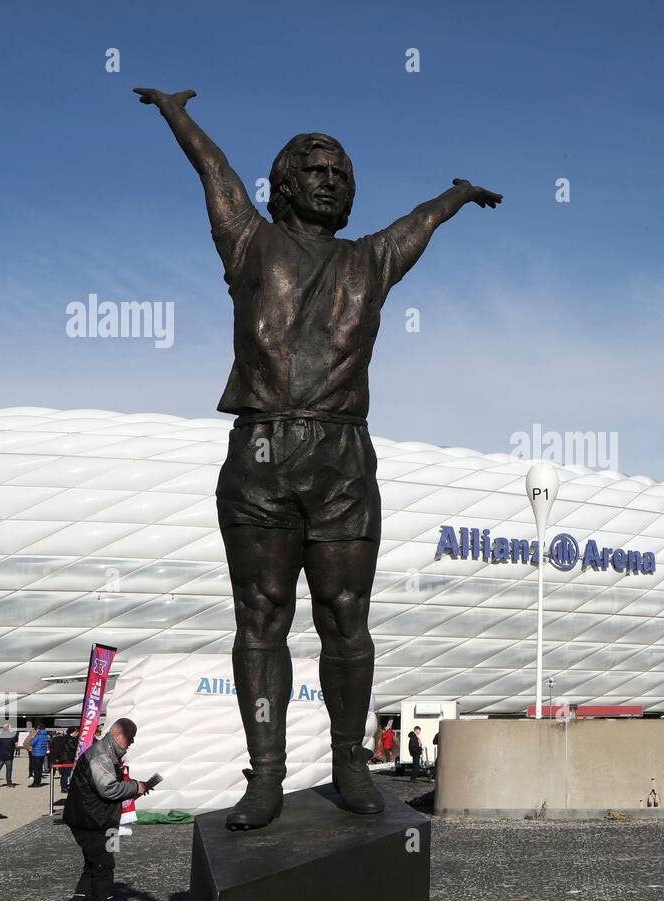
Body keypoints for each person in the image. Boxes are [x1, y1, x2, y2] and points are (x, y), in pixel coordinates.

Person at [133, 87, 502, 831]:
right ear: (284, 183)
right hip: (261, 448)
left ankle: (348, 764)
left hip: (341, 458)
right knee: (261, 617)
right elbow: (216, 173)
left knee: (346, 618)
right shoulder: (248, 241)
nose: (331, 178)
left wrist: (456, 195)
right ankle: (264, 777)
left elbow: (418, 224)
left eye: (341, 170)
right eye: (315, 168)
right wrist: (177, 114)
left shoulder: (370, 259)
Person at [62, 718, 149, 901]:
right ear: (119, 735)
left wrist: (135, 788)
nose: (132, 742)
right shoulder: (100, 755)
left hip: (106, 820)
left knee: (95, 862)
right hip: (92, 821)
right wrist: (135, 787)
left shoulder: (109, 753)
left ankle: (81, 899)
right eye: (131, 738)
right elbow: (108, 789)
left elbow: (112, 785)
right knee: (104, 864)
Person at [51, 727, 78, 793]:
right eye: (76, 732)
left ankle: (65, 786)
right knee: (66, 774)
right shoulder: (69, 739)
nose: (77, 733)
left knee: (65, 774)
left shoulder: (65, 738)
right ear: (73, 732)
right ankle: (64, 788)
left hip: (64, 758)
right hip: (67, 758)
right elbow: (72, 748)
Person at [0, 723, 18, 787]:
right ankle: (9, 783)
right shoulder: (12, 736)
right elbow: (15, 745)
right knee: (9, 770)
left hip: (0, 755)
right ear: (8, 728)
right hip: (9, 755)